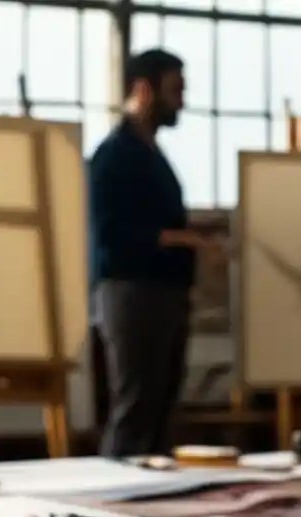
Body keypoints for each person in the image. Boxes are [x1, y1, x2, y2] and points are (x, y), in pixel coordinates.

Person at [89, 49, 220, 458]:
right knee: (136, 408)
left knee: (161, 411)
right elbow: (113, 233)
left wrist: (196, 232)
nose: (182, 101)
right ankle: (110, 504)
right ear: (144, 90)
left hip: (164, 293)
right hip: (132, 294)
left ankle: (153, 505)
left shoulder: (151, 154)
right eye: (175, 90)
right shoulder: (114, 154)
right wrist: (183, 240)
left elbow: (158, 220)